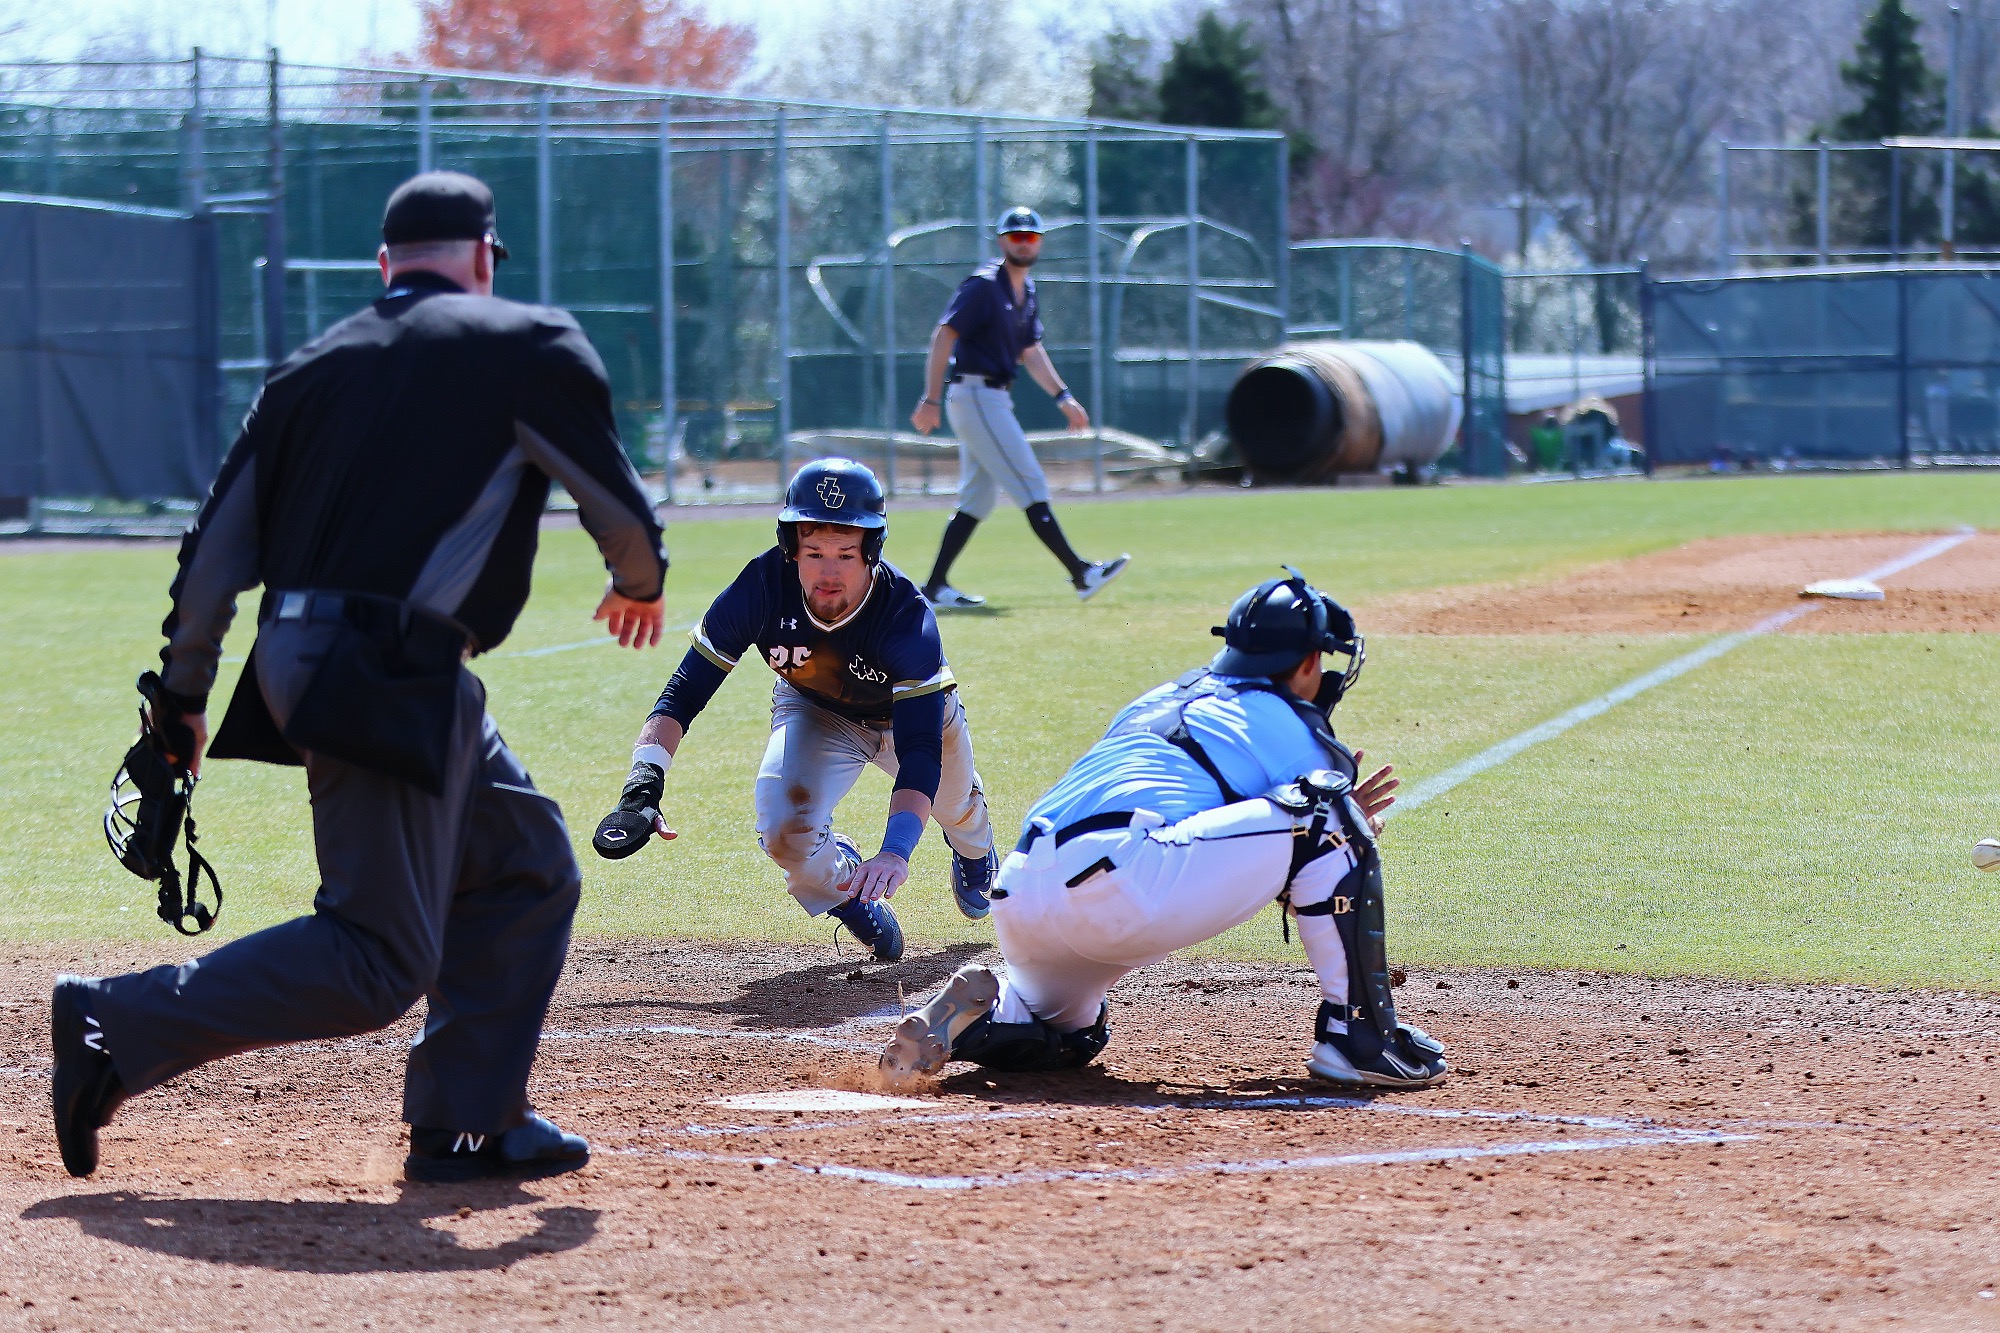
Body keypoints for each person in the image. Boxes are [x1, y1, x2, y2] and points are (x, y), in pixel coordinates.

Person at [49, 171, 669, 1183]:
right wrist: (636, 582)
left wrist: (181, 703)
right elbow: (621, 513)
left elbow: (211, 559)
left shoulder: (305, 369)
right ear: (481, 260)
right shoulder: (525, 341)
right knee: (376, 955)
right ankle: (111, 1022)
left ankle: (468, 1121)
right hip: (379, 670)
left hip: (335, 664)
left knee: (525, 865)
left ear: (384, 267)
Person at [880, 569, 1449, 1090]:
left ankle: (996, 1009)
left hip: (1023, 890)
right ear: (1304, 663)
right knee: (1328, 814)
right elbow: (1312, 866)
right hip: (1124, 880)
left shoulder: (1160, 698)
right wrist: (1341, 836)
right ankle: (1360, 1039)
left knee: (1073, 1037)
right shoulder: (1289, 719)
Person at [594, 457, 997, 961]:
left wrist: (895, 852)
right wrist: (641, 789)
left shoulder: (905, 618)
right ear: (792, 550)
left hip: (912, 720)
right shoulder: (761, 587)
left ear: (871, 552)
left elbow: (919, 751)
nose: (829, 572)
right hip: (815, 708)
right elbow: (683, 694)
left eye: (846, 553)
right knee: (784, 829)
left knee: (957, 812)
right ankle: (847, 894)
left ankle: (975, 853)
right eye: (813, 552)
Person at [909, 205, 1129, 610]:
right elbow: (944, 335)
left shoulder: (1026, 292)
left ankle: (935, 587)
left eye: (1030, 237)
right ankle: (1081, 573)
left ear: (1039, 243)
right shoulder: (983, 285)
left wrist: (1063, 396)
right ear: (1001, 241)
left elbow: (1030, 350)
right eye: (1016, 236)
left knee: (976, 500)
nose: (1023, 242)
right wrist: (930, 397)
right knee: (1030, 482)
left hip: (992, 396)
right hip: (975, 395)